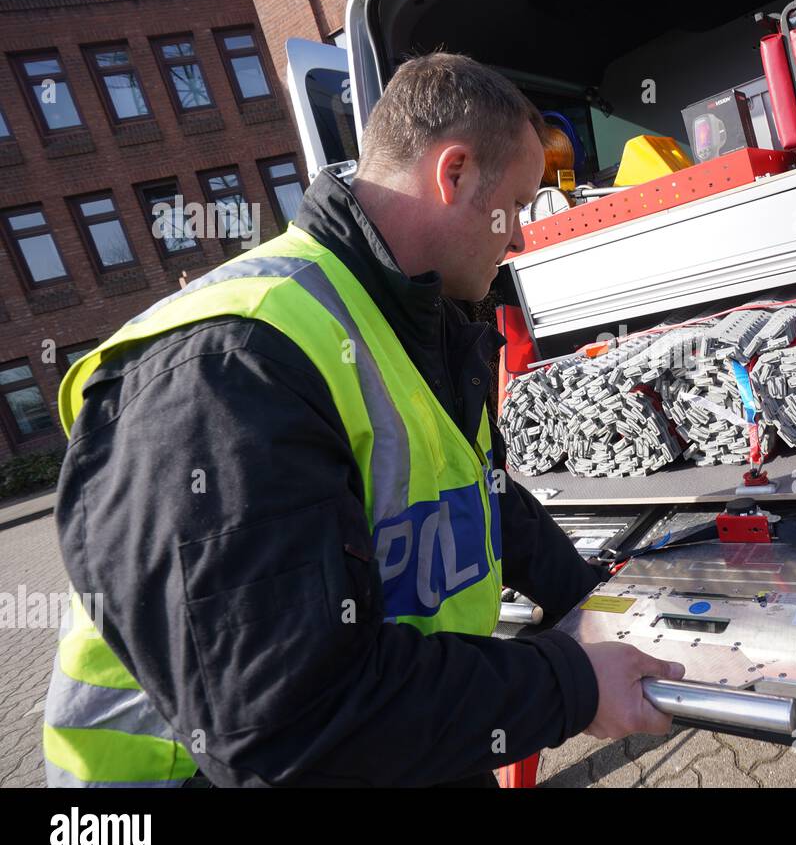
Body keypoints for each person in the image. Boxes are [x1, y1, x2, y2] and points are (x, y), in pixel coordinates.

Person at [42, 52, 683, 788]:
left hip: (396, 742)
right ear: (454, 173)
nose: (517, 240)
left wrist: (597, 602)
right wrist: (573, 685)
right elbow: (291, 721)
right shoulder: (228, 367)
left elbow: (485, 501)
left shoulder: (412, 321)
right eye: (515, 205)